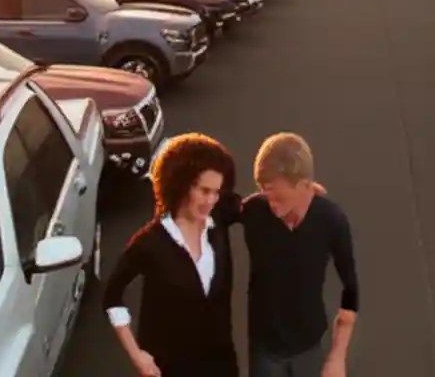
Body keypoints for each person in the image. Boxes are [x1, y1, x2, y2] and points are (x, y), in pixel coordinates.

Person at [217, 132, 360, 377]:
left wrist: (337, 358)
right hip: (265, 351)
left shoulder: (332, 220)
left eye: (276, 192)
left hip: (309, 349)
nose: (269, 200)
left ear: (304, 185)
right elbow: (207, 206)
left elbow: (351, 290)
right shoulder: (254, 210)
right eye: (264, 190)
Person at [102, 133, 239, 377]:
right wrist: (138, 356)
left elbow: (259, 205)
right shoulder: (149, 244)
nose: (211, 200)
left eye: (217, 192)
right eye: (204, 191)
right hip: (170, 367)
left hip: (221, 364)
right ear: (180, 185)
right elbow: (113, 297)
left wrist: (302, 190)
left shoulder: (220, 216)